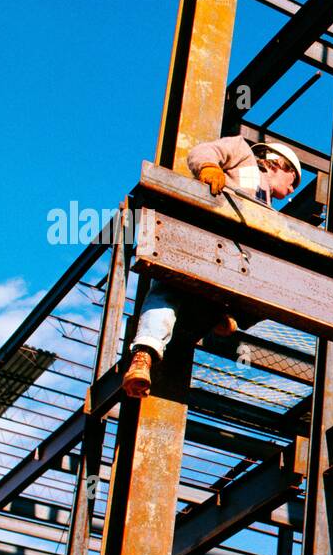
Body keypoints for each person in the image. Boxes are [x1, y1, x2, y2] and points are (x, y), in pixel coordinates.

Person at [121, 137, 303, 398]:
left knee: (274, 288)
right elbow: (202, 151)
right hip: (201, 243)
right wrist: (209, 168)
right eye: (293, 180)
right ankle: (143, 356)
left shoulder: (267, 208)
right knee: (169, 290)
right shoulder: (241, 154)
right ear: (277, 164)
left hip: (230, 266)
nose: (293, 189)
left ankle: (223, 312)